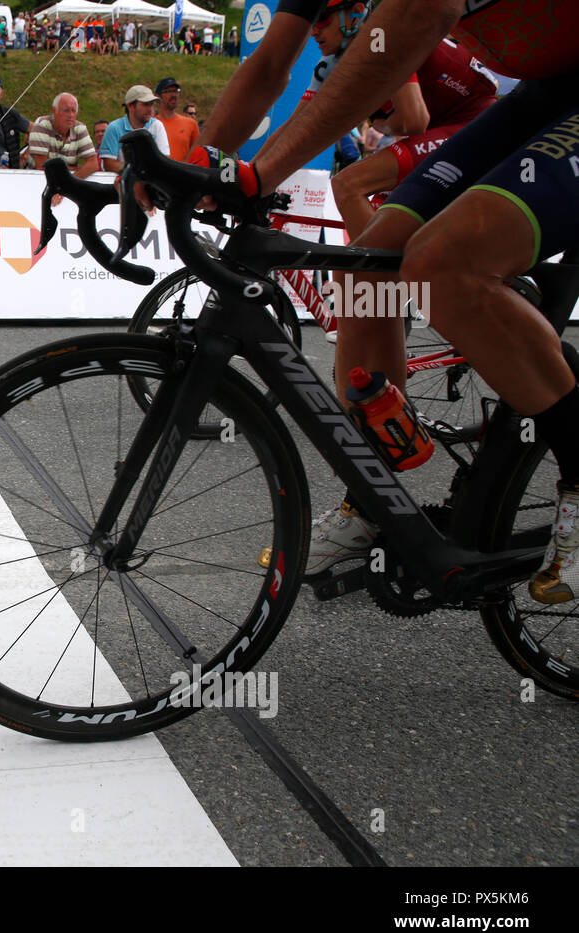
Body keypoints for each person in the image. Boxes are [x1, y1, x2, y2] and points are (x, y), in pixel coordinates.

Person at [184, 0, 579, 601]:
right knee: (363, 267)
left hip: (530, 101)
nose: (318, 28)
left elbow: (417, 20)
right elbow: (269, 66)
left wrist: (256, 174)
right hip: (546, 91)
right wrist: (195, 165)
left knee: (442, 263)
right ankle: (374, 495)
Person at [318, 10, 497, 237]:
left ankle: (377, 271)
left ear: (353, 16)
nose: (314, 30)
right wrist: (259, 173)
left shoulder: (381, 41)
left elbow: (415, 122)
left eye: (323, 20)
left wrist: (381, 126)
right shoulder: (333, 65)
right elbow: (300, 124)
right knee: (370, 219)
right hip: (448, 126)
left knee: (349, 185)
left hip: (477, 124)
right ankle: (371, 271)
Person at [100, 85, 169, 173]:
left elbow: (164, 161)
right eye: (145, 104)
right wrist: (139, 170)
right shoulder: (114, 128)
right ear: (130, 106)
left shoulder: (157, 126)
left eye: (151, 104)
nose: (150, 109)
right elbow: (109, 164)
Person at [28, 92, 97, 178]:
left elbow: (93, 164)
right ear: (54, 111)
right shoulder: (41, 126)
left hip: (67, 183)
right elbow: (42, 167)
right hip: (38, 181)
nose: (71, 115)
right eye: (66, 110)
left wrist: (70, 183)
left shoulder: (80, 129)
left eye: (73, 110)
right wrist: (75, 169)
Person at [153, 76, 200, 159]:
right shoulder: (151, 125)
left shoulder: (191, 124)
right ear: (158, 96)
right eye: (168, 91)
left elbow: (198, 156)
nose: (174, 95)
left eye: (176, 91)